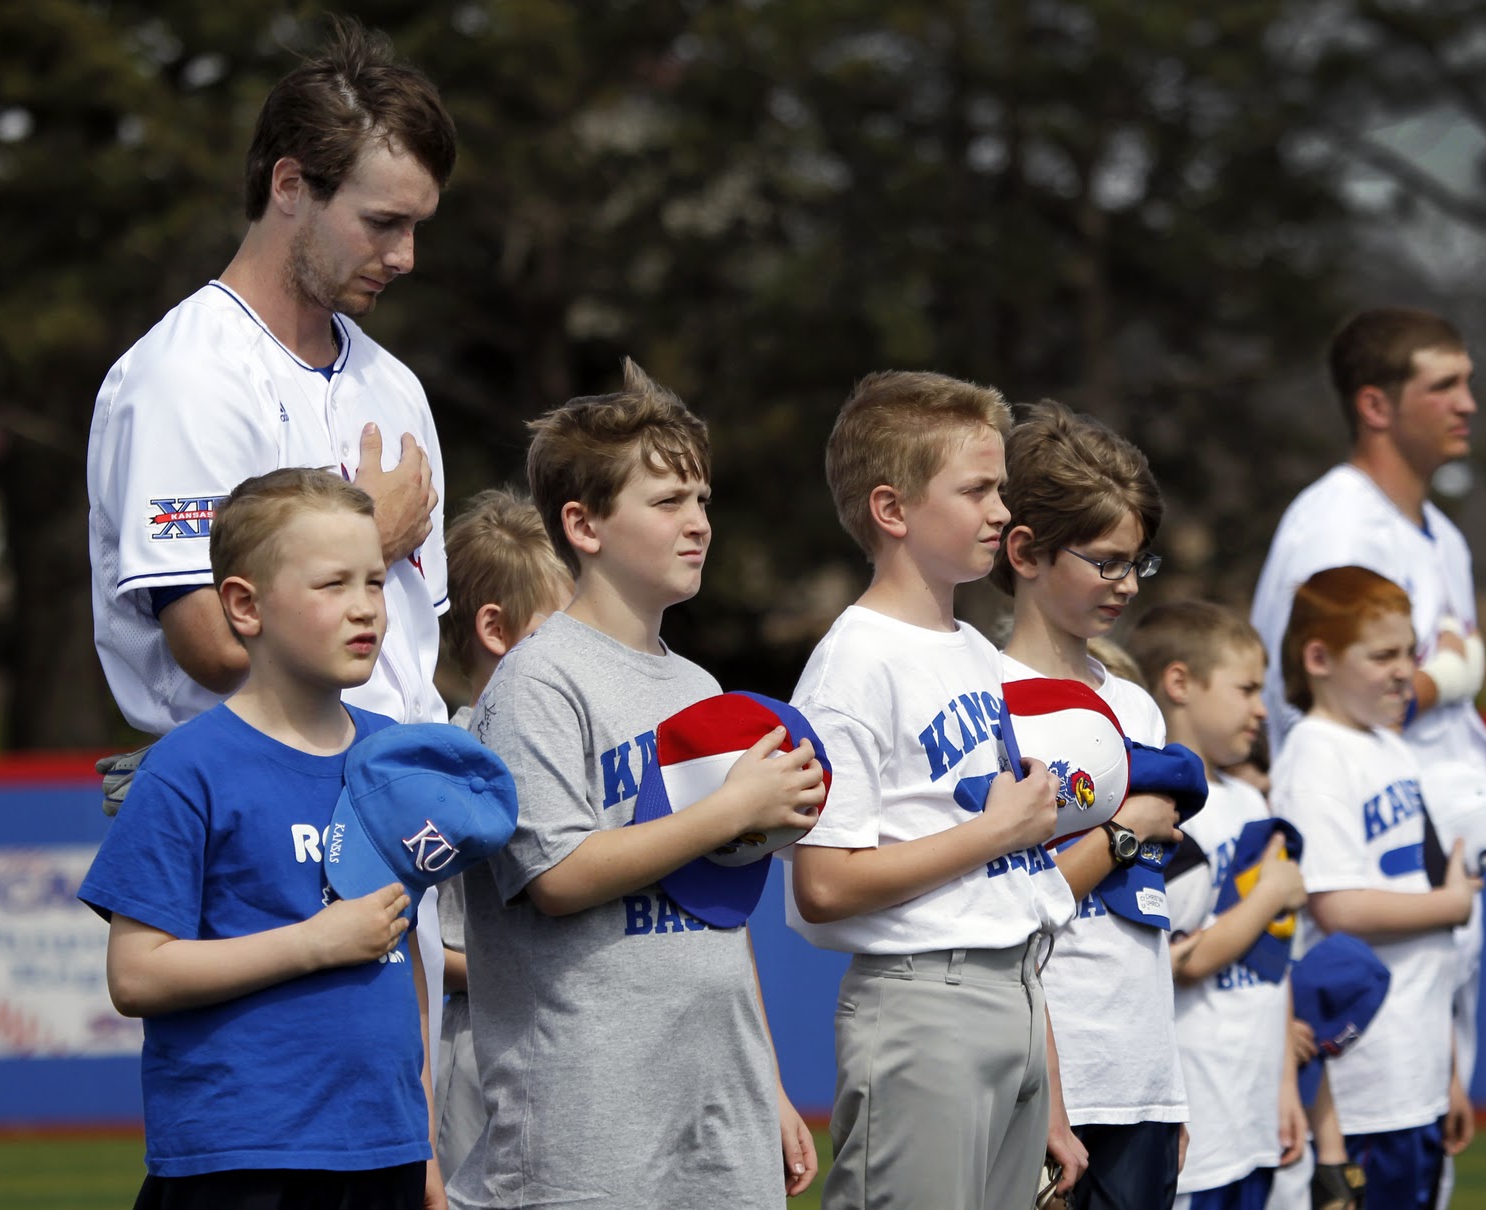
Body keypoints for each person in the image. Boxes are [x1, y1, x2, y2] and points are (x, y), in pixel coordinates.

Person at [85, 15, 458, 1064]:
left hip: (395, 814)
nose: (406, 255)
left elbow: (411, 651)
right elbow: (208, 637)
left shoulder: (394, 385)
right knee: (281, 1145)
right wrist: (371, 534)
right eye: (382, 222)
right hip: (255, 819)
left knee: (402, 1148)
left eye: (418, 225)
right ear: (289, 184)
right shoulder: (186, 374)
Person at [447, 360, 825, 1210]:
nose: (698, 525)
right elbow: (556, 878)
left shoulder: (699, 687)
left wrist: (764, 1076)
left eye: (703, 502)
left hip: (715, 1101)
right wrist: (730, 808)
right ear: (582, 524)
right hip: (587, 1119)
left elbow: (718, 910)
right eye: (667, 503)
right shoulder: (538, 680)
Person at [78, 467, 441, 1209]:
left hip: (387, 1156)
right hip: (240, 1164)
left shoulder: (395, 760)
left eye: (374, 583)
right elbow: (136, 976)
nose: (365, 609)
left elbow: (404, 964)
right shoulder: (188, 768)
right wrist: (315, 942)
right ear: (245, 605)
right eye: (332, 585)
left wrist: (424, 1143)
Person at [786, 370, 1063, 1210]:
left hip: (1015, 990)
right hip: (922, 1002)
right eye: (977, 489)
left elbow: (1010, 877)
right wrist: (996, 832)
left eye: (1000, 489)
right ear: (892, 510)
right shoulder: (852, 663)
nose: (1001, 511)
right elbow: (823, 882)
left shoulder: (978, 650)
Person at [1248, 310, 1486, 1205]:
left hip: (1426, 902)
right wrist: (1445, 676)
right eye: (1443, 384)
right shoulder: (1332, 526)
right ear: (1375, 403)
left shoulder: (1442, 532)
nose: (1468, 403)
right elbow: (1297, 698)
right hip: (1367, 896)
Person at [992, 400, 1189, 1210]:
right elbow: (1003, 910)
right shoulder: (985, 700)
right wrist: (1118, 835)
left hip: (1141, 1087)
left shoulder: (1137, 710)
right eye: (1104, 561)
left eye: (1138, 564)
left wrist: (1167, 1091)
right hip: (1050, 1080)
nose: (1124, 585)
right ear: (1027, 551)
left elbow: (1146, 929)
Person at [1269, 566, 1478, 1210]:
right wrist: (1450, 904)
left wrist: (1448, 1074)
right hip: (1358, 1090)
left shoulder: (1391, 749)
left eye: (1409, 654)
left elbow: (1429, 949)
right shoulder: (1315, 750)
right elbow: (1338, 906)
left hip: (1415, 1076)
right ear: (1319, 657)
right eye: (1382, 655)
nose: (1402, 671)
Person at [1127, 601, 1310, 1209]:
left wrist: (1286, 1083)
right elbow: (1174, 962)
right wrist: (1271, 896)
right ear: (1179, 683)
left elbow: (1274, 966)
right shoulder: (1158, 812)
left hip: (1256, 1112)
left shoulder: (1253, 805)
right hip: (1195, 1121)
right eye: (1247, 689)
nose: (1263, 708)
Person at [431, 488, 572, 1178]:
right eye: (566, 627)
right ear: (496, 629)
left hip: (574, 1038)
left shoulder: (578, 748)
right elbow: (423, 948)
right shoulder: (444, 771)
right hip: (482, 1044)